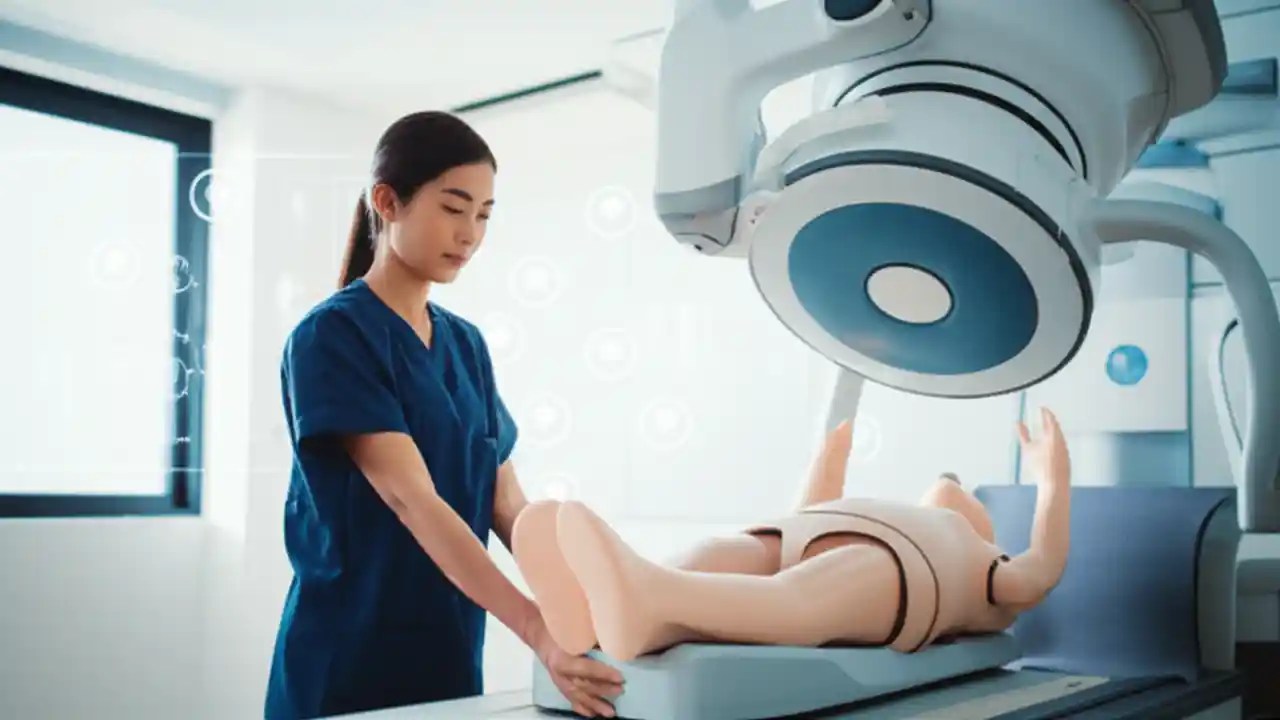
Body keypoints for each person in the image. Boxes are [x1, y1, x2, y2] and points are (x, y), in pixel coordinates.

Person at [265, 111, 624, 720]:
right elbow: (414, 502)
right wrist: (537, 630)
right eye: (453, 209)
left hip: (448, 655)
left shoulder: (467, 345)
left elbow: (507, 504)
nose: (470, 234)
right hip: (346, 660)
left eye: (484, 214)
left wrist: (588, 612)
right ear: (388, 201)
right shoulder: (332, 337)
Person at [513, 408, 1071, 663]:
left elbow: (1040, 568)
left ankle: (649, 597)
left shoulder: (985, 567)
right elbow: (815, 506)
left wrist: (1053, 481)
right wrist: (829, 461)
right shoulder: (903, 510)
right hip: (808, 528)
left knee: (798, 600)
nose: (948, 488)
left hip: (897, 572)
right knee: (723, 552)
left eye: (965, 494)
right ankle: (607, 603)